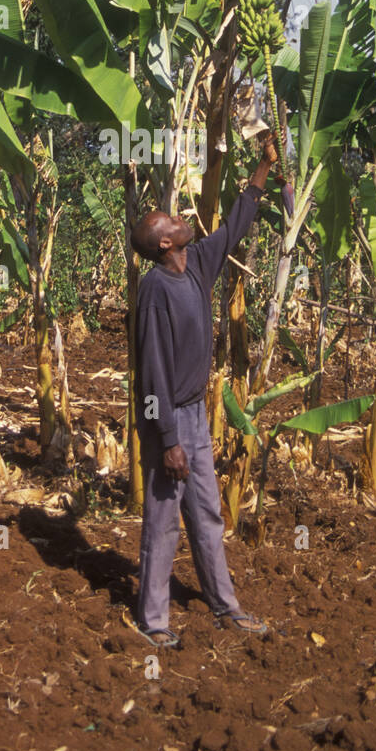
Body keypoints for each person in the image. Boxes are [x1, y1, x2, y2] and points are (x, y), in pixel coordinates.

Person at [129, 135, 279, 647]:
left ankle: (224, 606)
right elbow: (150, 377)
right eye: (166, 221)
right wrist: (167, 439)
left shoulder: (195, 267)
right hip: (166, 420)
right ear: (163, 244)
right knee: (164, 520)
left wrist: (262, 167)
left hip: (194, 415)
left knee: (208, 514)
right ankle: (152, 622)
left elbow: (235, 228)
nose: (175, 217)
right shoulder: (155, 290)